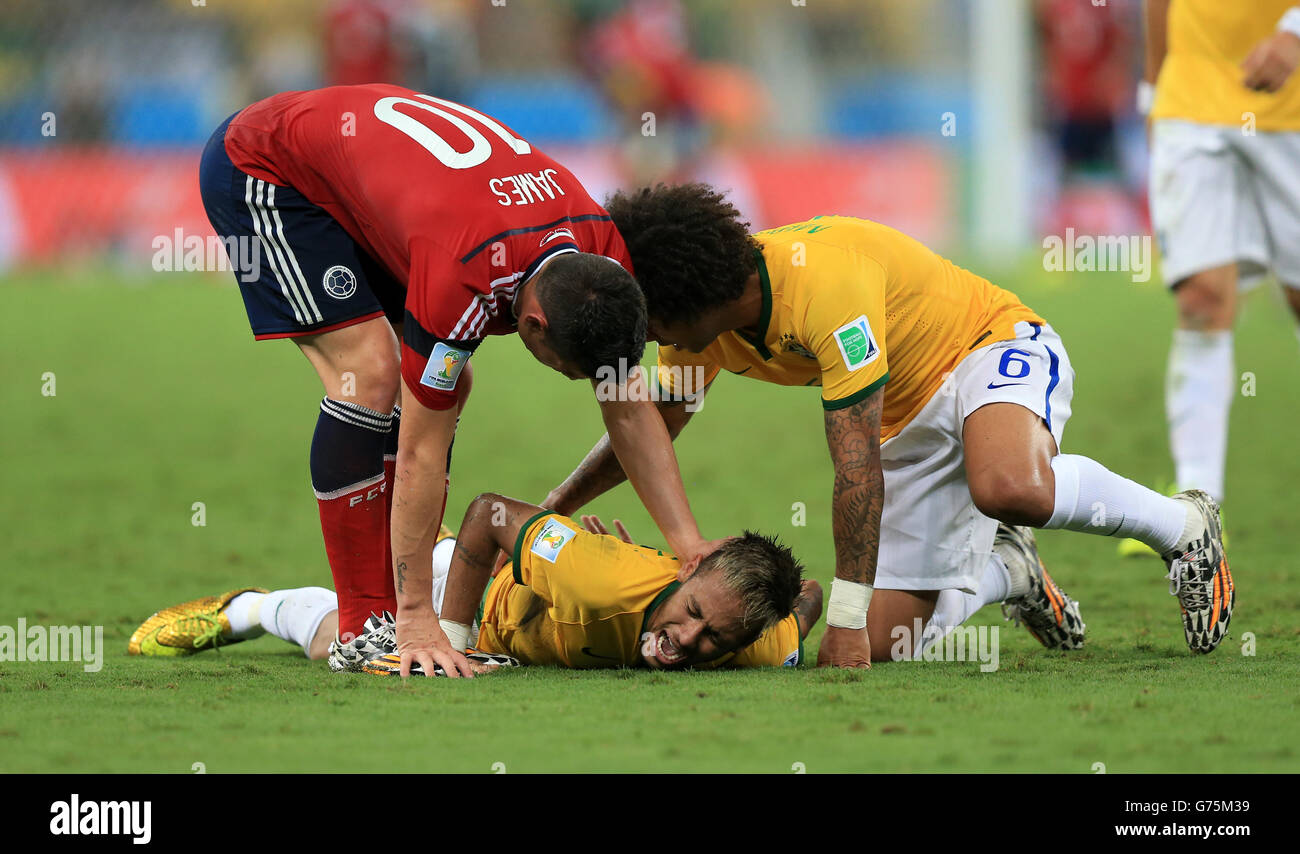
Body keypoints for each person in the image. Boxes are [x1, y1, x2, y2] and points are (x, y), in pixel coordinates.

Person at [543, 185, 1233, 665]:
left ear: (693, 301)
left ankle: (1183, 527)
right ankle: (1005, 572)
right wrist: (552, 512)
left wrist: (838, 613)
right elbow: (645, 430)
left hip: (984, 351)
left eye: (653, 320)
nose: (647, 336)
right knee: (881, 646)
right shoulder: (695, 333)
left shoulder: (824, 289)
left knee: (1006, 488)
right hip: (902, 424)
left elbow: (854, 466)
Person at [198, 85, 719, 678]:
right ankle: (369, 623)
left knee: (451, 384)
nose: (580, 382)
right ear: (531, 325)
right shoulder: (463, 284)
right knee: (369, 375)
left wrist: (689, 543)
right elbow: (421, 449)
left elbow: (627, 409)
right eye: (568, 371)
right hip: (266, 162)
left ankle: (382, 604)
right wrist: (422, 617)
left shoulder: (604, 255)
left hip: (388, 188)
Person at [127, 502, 820, 673]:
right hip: (464, 578)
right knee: (343, 640)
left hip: (512, 632)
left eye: (714, 637)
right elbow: (490, 512)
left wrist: (827, 617)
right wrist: (442, 636)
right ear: (686, 568)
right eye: (692, 613)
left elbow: (808, 603)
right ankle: (244, 610)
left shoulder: (748, 641)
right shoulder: (600, 578)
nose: (688, 641)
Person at [1129, 1, 1300, 553]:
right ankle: (1199, 512)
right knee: (1201, 299)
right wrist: (1155, 93)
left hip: (1289, 100)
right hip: (1193, 97)